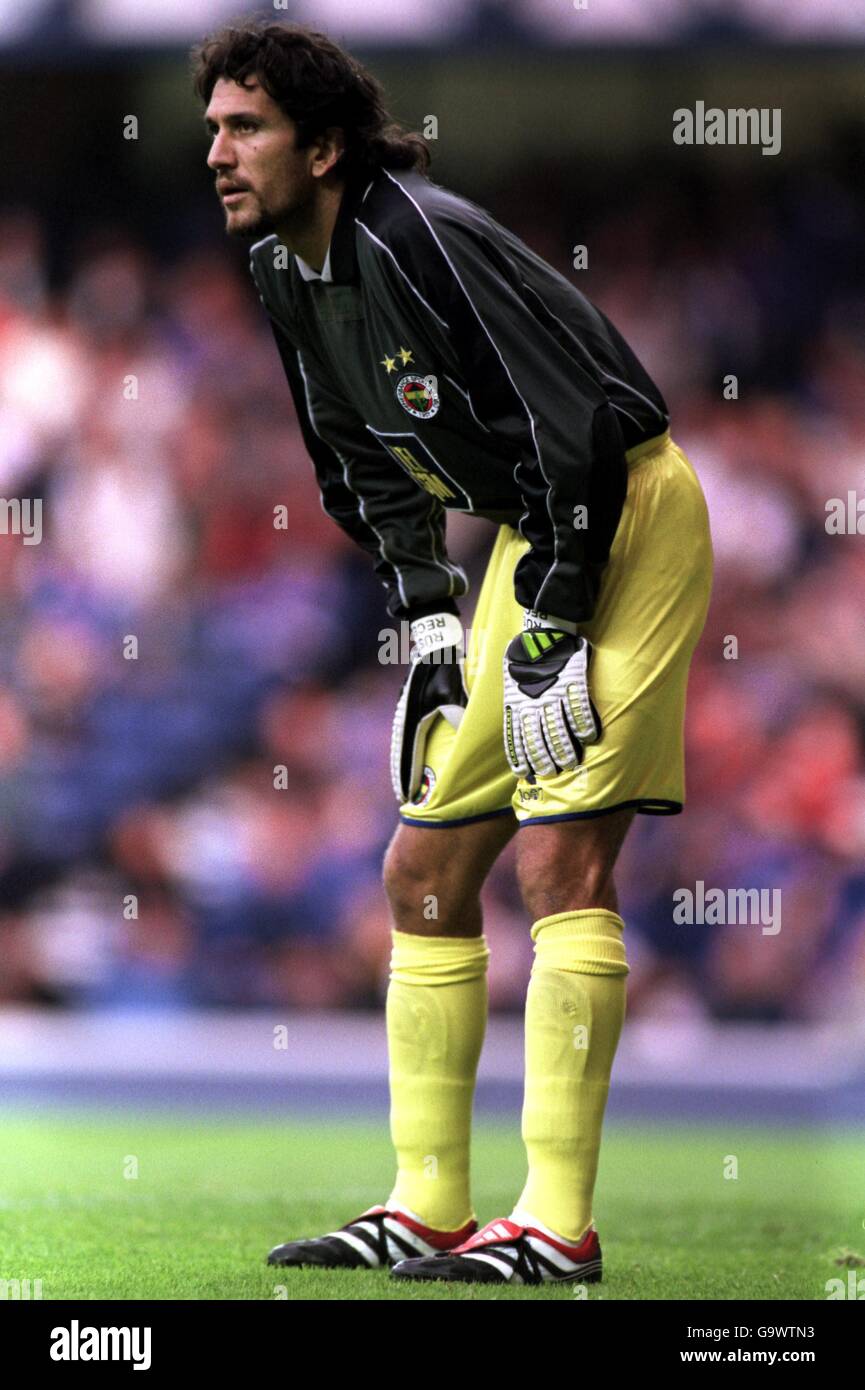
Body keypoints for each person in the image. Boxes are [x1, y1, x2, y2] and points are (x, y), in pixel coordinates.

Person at [192, 18, 713, 1286]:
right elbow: (361, 461)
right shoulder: (283, 268)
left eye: (245, 126)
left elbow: (578, 431)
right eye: (211, 127)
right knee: (421, 870)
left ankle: (557, 1225)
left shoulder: (416, 236)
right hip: (533, 538)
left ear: (324, 147)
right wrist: (431, 622)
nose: (216, 151)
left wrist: (555, 619)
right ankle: (427, 1205)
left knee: (557, 858)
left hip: (622, 517)